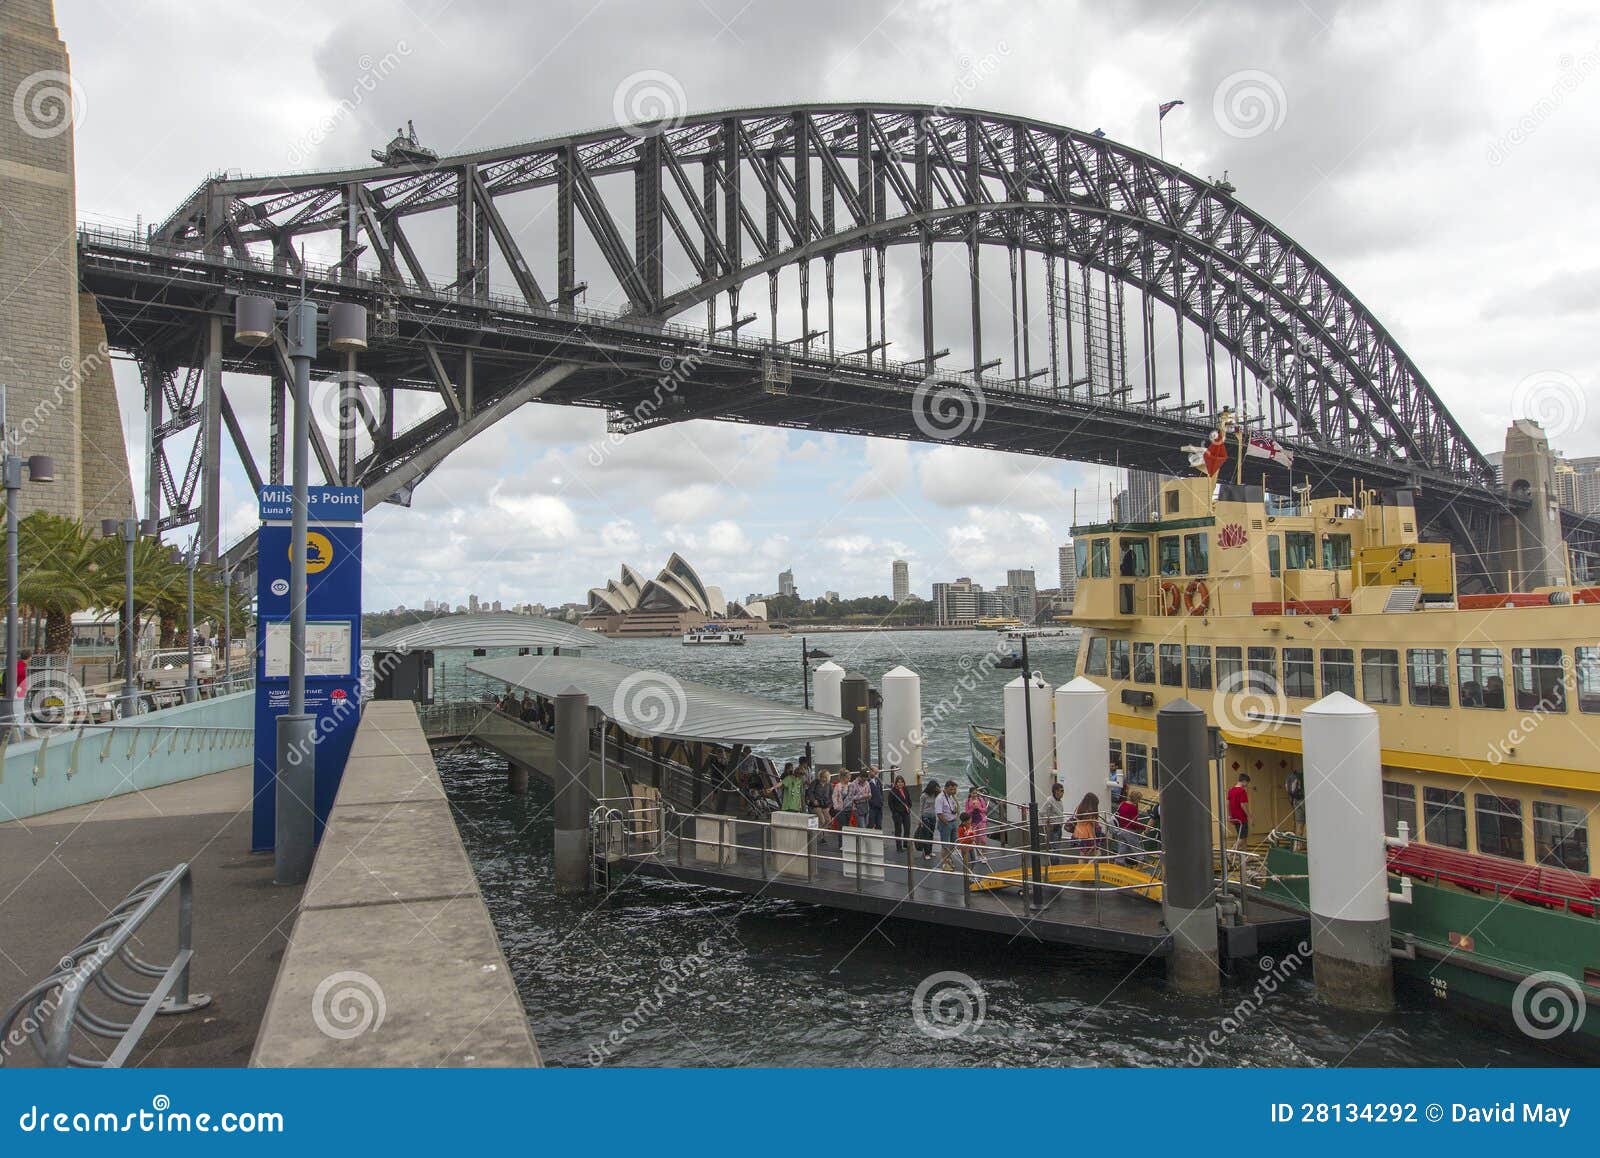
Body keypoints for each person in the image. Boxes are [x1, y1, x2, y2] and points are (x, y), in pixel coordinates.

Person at [935, 780, 961, 870]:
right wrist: (946, 823)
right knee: (945, 845)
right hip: (945, 823)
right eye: (951, 789)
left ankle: (948, 858)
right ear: (945, 788)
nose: (953, 791)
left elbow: (955, 808)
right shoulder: (940, 798)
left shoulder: (951, 797)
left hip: (953, 822)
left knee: (954, 842)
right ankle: (944, 863)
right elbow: (939, 813)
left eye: (955, 789)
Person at [915, 779, 941, 861]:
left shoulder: (936, 795)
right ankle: (926, 853)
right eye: (935, 787)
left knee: (931, 834)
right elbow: (921, 808)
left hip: (933, 816)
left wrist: (939, 790)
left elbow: (943, 796)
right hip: (925, 816)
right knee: (926, 835)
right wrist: (920, 819)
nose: (935, 789)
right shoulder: (924, 795)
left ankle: (930, 851)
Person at [1072, 791, 1101, 859]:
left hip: (1079, 833)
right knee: (1097, 854)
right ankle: (1091, 866)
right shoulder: (1090, 811)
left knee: (1082, 854)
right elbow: (1093, 824)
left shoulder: (1079, 807)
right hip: (1088, 834)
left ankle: (1083, 866)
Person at [887, 774, 912, 850]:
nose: (900, 783)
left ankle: (905, 844)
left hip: (906, 813)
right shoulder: (893, 791)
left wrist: (909, 806)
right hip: (898, 814)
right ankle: (899, 847)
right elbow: (890, 803)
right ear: (896, 783)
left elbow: (908, 799)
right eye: (898, 782)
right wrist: (895, 813)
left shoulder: (905, 789)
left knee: (907, 829)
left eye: (901, 782)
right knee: (898, 830)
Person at [1227, 773, 1251, 848]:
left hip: (1234, 816)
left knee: (1243, 837)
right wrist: (1249, 816)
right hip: (1242, 817)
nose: (1247, 785)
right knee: (1242, 838)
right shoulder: (1242, 791)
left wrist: (1229, 815)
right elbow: (1243, 805)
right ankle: (1230, 852)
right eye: (1247, 783)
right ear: (1244, 781)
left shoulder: (1231, 790)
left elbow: (1228, 804)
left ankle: (1245, 853)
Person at [1042, 782, 1066, 849]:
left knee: (1057, 846)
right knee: (1055, 847)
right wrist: (1048, 822)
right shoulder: (1050, 800)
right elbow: (1042, 812)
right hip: (1053, 828)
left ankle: (1055, 855)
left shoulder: (1060, 801)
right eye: (1061, 791)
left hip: (1059, 827)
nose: (1063, 793)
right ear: (1056, 791)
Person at [809, 771, 834, 836]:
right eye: (822, 777)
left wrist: (829, 806)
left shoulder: (829, 785)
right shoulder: (815, 783)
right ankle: (819, 835)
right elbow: (810, 792)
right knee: (822, 820)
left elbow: (832, 796)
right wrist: (813, 800)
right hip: (816, 805)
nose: (823, 779)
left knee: (828, 820)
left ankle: (822, 834)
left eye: (825, 777)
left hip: (825, 805)